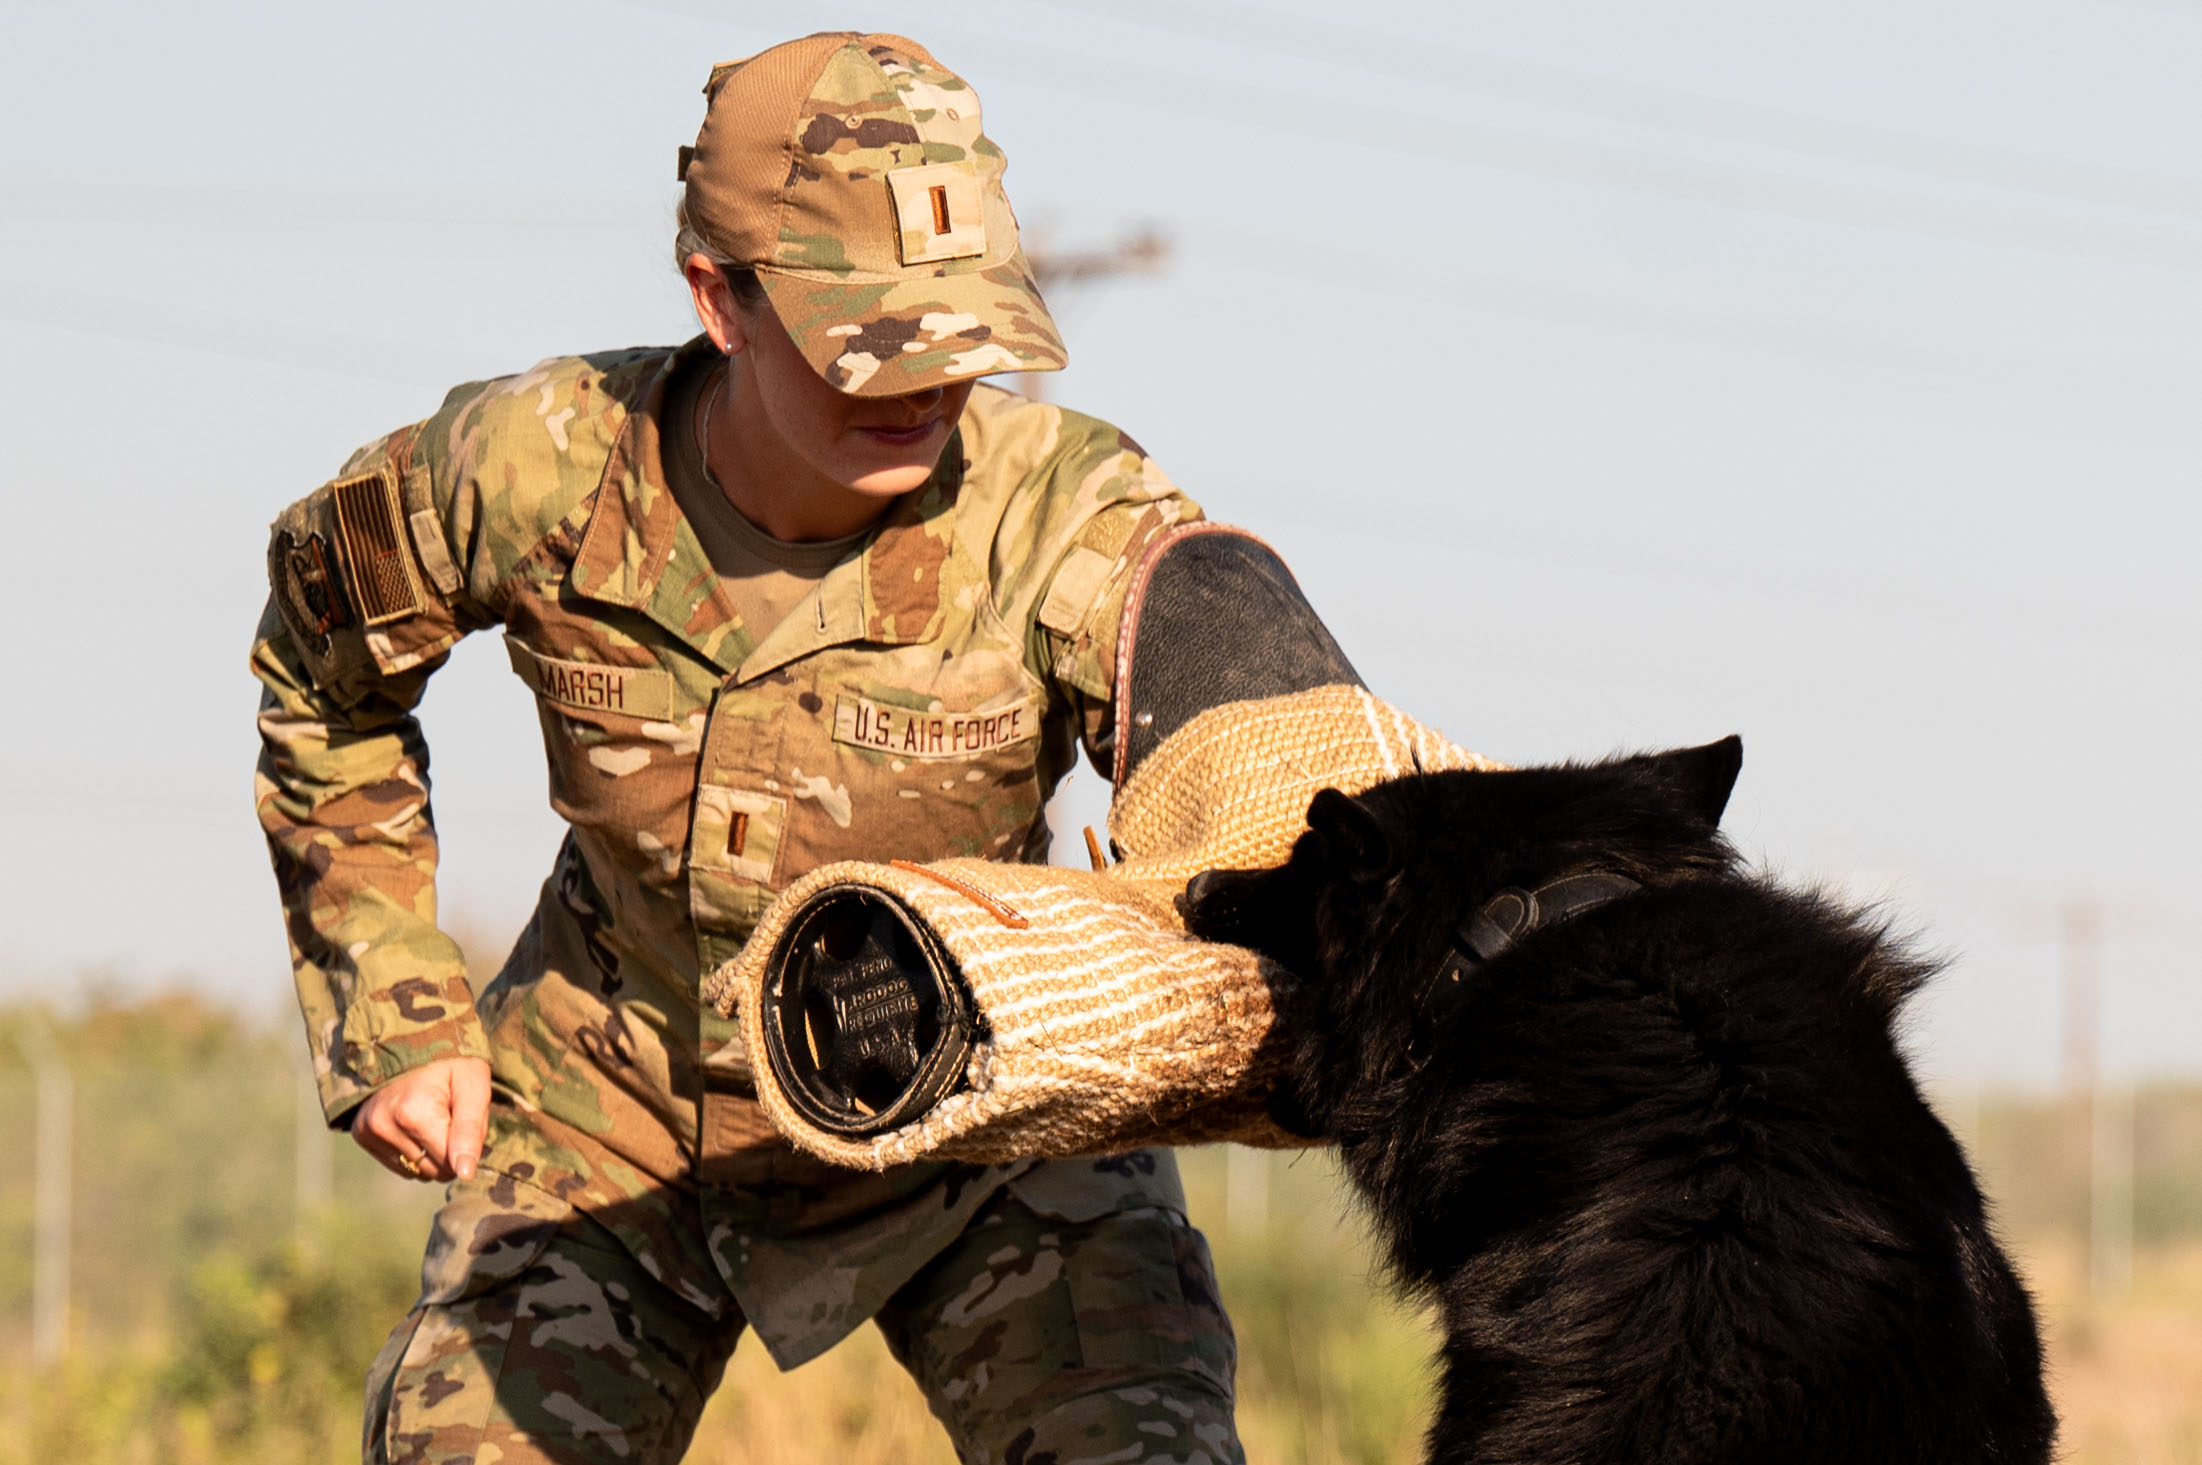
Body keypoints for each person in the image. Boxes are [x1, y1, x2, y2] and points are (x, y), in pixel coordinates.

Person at [253, 32, 1332, 1465]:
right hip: (609, 1114)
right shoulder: (530, 471)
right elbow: (321, 678)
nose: (925, 383)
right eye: (870, 342)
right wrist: (392, 1003)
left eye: (958, 334)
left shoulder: (1065, 518)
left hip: (988, 1127)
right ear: (722, 299)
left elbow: (1265, 760)